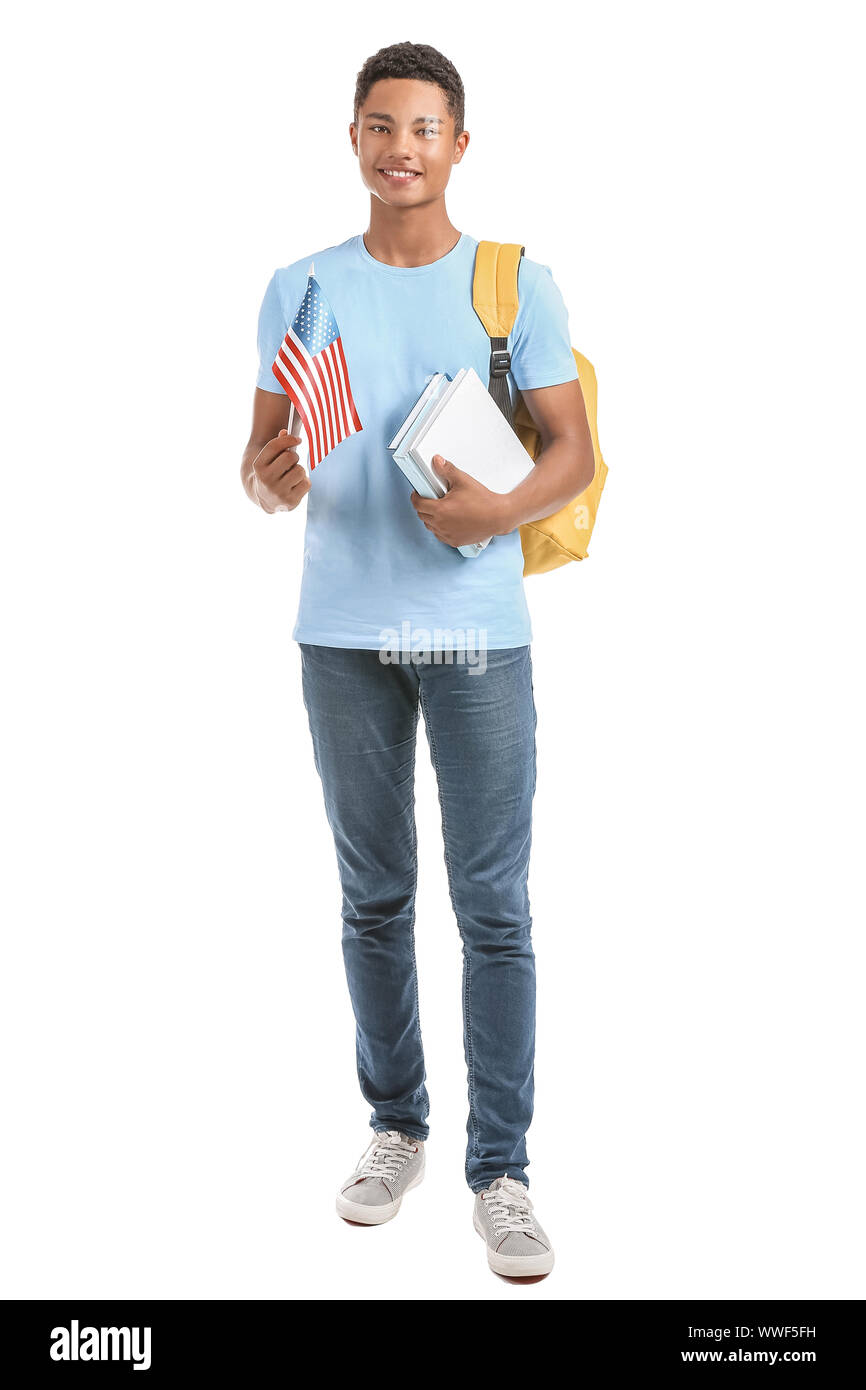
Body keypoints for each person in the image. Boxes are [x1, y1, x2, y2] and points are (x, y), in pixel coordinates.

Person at [240, 41, 594, 1280]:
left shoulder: (512, 285)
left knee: (492, 905)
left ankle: (501, 1168)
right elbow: (260, 460)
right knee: (372, 895)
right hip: (342, 632)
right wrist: (264, 478)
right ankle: (395, 1124)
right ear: (352, 139)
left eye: (425, 128)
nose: (401, 148)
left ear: (458, 144)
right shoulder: (301, 288)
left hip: (476, 634)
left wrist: (493, 514)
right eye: (380, 126)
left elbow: (569, 452)